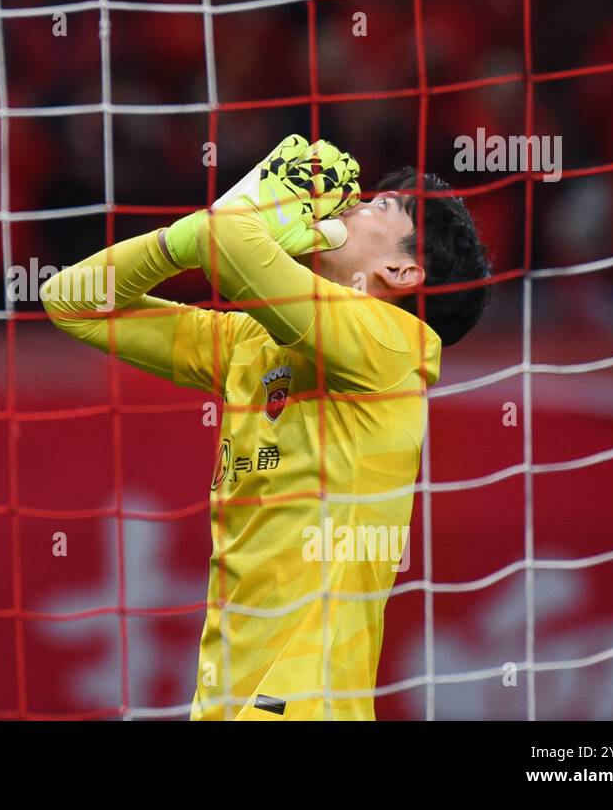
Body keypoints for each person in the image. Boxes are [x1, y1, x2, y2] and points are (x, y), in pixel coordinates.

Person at [41, 135, 492, 719]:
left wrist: (258, 202)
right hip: (226, 700)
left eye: (380, 207)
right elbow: (71, 300)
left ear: (401, 270)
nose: (346, 203)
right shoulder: (251, 343)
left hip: (302, 705)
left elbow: (225, 240)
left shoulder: (393, 346)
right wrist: (180, 242)